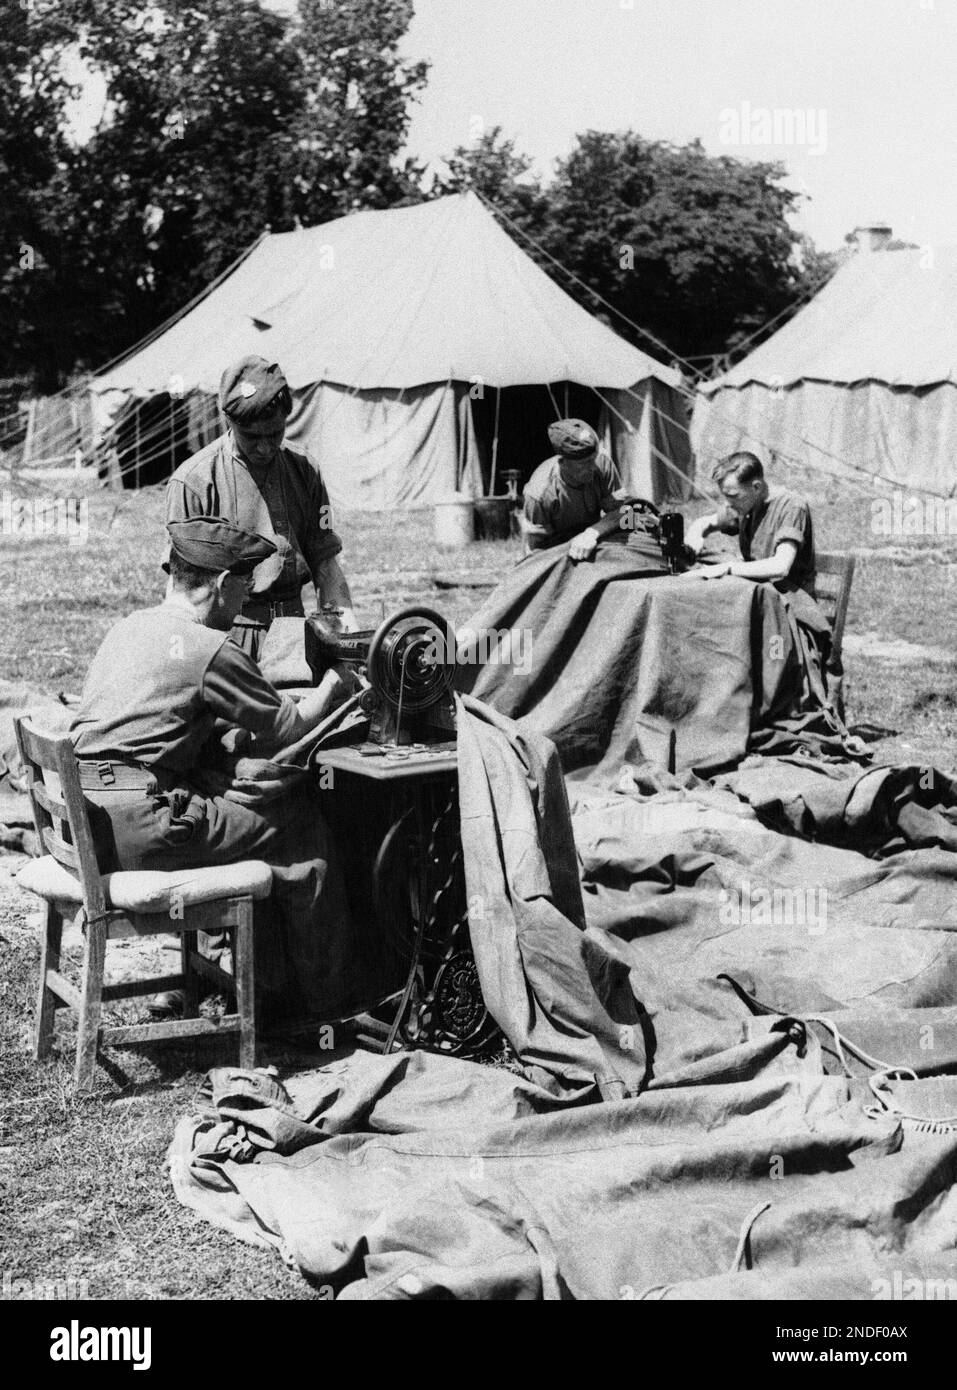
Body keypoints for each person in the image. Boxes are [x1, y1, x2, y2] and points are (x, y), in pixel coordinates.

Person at [70, 516, 362, 1026]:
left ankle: (262, 984)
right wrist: (337, 684)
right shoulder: (210, 649)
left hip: (82, 826)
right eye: (245, 588)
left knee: (245, 800)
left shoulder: (129, 626)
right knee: (298, 828)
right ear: (223, 585)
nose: (246, 601)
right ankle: (325, 1012)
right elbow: (290, 728)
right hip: (139, 831)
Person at [166, 355, 358, 662]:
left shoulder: (305, 470)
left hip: (295, 630)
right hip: (222, 635)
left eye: (275, 433)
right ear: (228, 421)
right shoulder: (193, 482)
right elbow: (179, 590)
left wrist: (347, 638)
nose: (265, 447)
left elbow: (326, 565)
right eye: (252, 437)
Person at [683, 451, 817, 597]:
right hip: (759, 593)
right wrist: (696, 532)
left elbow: (781, 566)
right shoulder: (747, 504)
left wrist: (727, 568)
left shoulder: (792, 507)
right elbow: (706, 523)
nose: (727, 504)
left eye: (733, 495)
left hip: (791, 602)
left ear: (756, 487)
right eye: (725, 496)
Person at [522, 419, 640, 561]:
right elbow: (535, 550)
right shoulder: (539, 493)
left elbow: (625, 514)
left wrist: (592, 533)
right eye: (585, 463)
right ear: (562, 462)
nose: (593, 467)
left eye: (593, 459)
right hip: (557, 550)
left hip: (594, 537)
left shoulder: (601, 461)